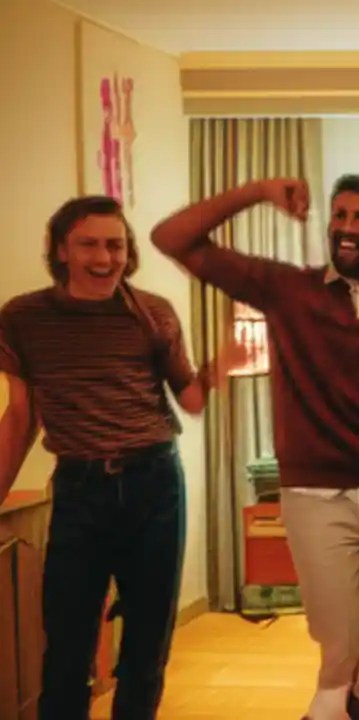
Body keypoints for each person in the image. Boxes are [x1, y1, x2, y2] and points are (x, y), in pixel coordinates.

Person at [150, 175, 359, 720]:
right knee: (339, 649)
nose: (345, 226)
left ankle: (353, 710)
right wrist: (257, 192)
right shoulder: (286, 289)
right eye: (338, 215)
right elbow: (171, 238)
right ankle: (343, 700)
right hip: (315, 498)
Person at [0, 195, 237, 720]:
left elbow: (191, 400)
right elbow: (21, 416)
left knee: (147, 648)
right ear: (61, 250)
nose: (104, 257)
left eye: (115, 244)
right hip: (80, 491)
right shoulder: (23, 318)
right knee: (66, 648)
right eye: (89, 244)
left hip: (155, 484)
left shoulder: (152, 312)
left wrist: (222, 363)